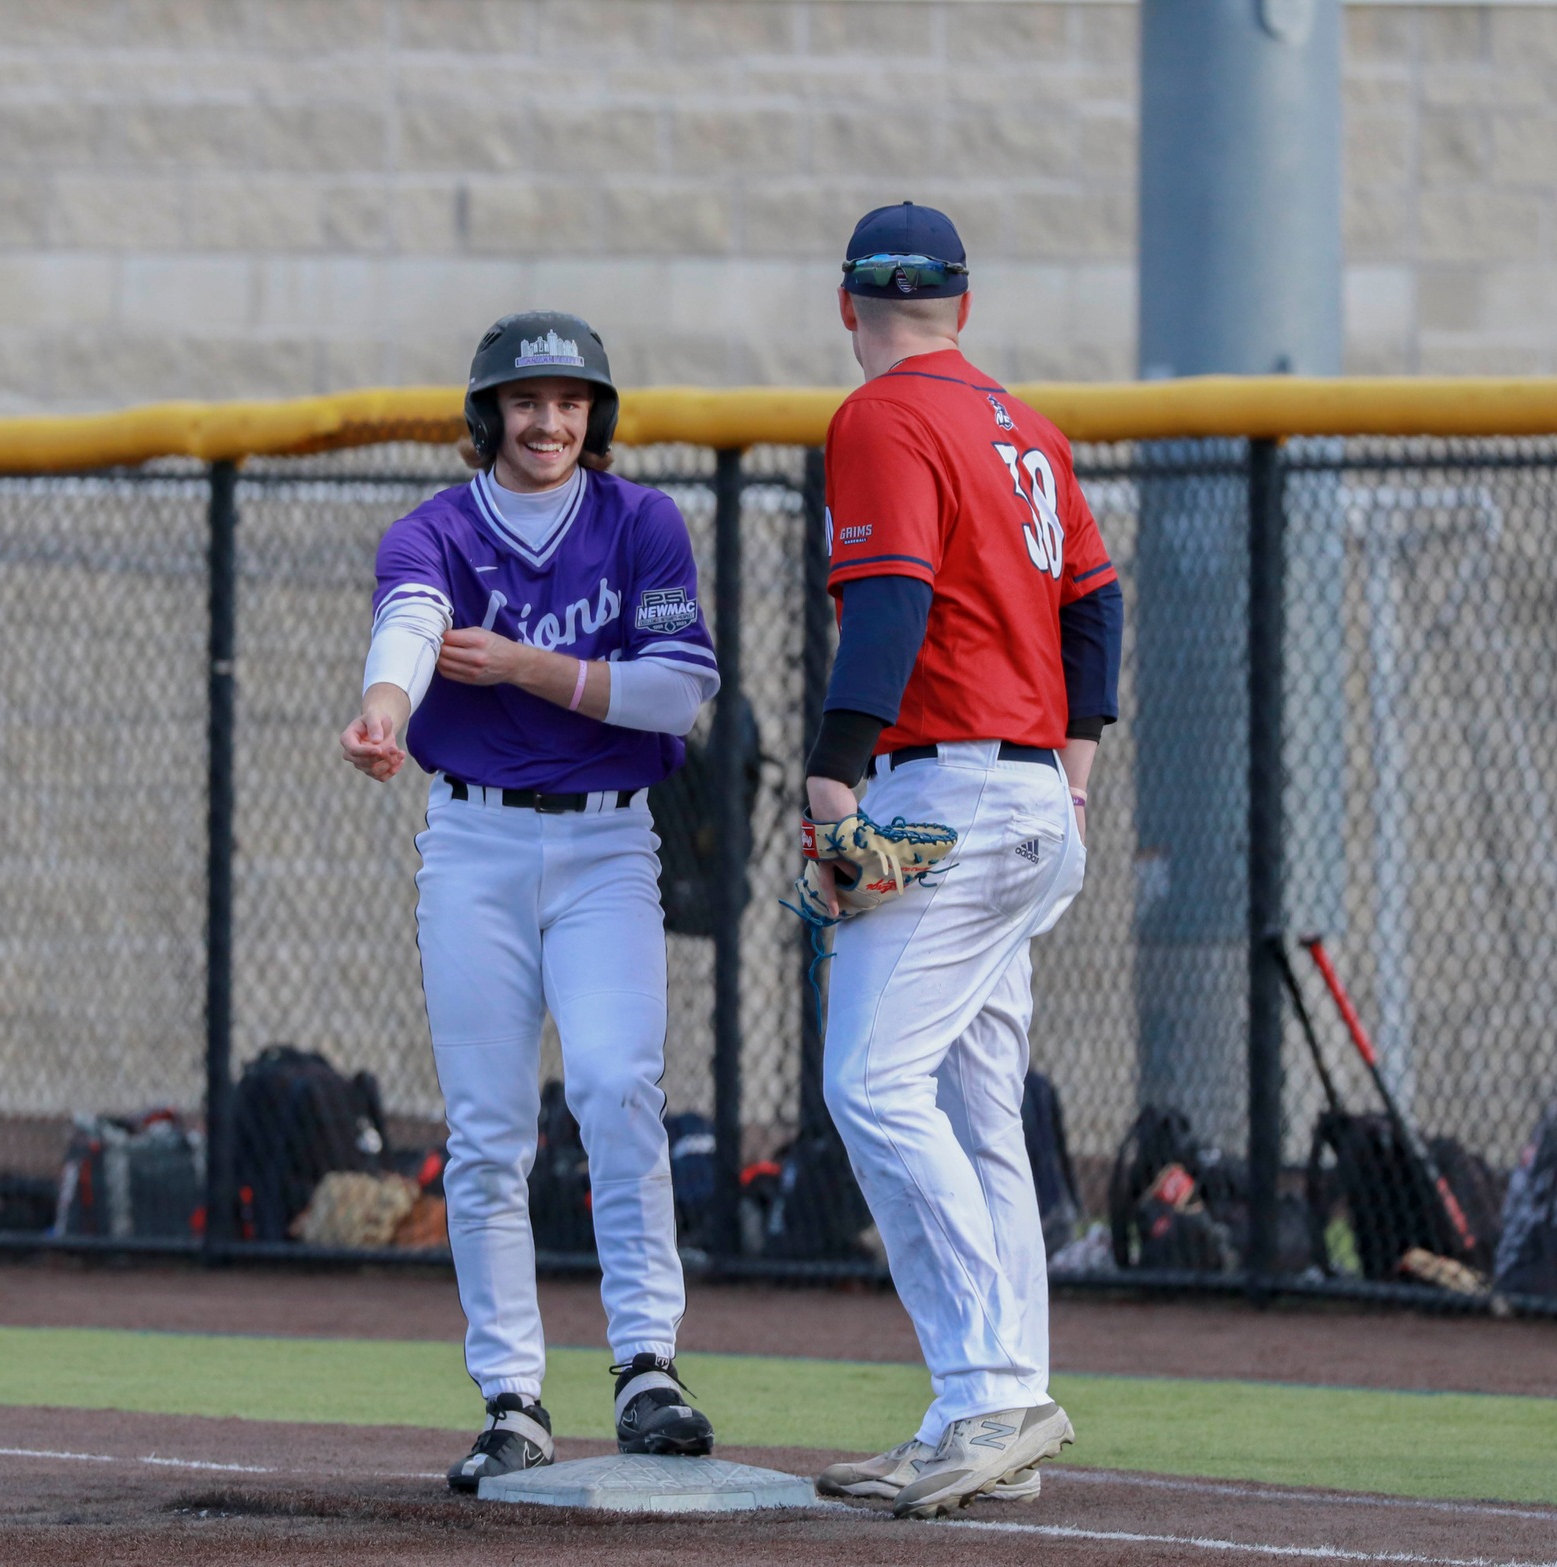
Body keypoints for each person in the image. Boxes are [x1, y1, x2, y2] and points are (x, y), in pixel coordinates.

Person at [338, 311, 721, 1492]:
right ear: (485, 415)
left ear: (593, 415)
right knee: (489, 1127)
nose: (547, 422)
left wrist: (524, 665)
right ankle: (511, 1395)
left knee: (615, 1087)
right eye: (523, 400)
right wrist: (385, 709)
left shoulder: (640, 521)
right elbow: (408, 616)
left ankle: (646, 1366)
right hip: (473, 842)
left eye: (567, 401)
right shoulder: (438, 528)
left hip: (607, 847)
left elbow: (675, 694)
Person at [800, 203, 1123, 1519]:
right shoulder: (1025, 429)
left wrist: (829, 772)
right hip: (1035, 792)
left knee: (869, 1079)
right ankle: (984, 1411)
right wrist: (1077, 770)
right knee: (978, 1100)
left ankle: (988, 1391)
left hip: (945, 787)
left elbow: (890, 600)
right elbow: (1093, 604)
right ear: (963, 306)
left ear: (846, 308)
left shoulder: (879, 415)